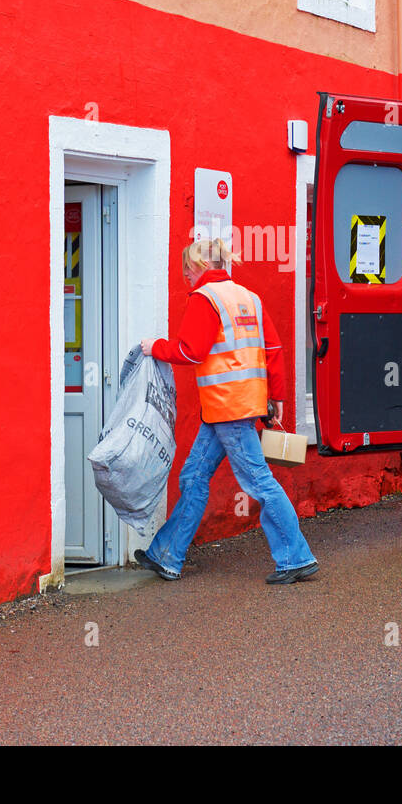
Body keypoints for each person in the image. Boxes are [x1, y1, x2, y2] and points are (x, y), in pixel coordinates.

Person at [134, 237, 319, 586]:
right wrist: (276, 395)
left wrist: (154, 347)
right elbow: (274, 348)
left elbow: (192, 351)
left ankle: (296, 557)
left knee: (259, 482)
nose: (186, 275)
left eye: (187, 268)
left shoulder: (205, 299)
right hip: (237, 405)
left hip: (227, 406)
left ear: (198, 267)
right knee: (194, 476)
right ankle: (167, 555)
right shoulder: (248, 297)